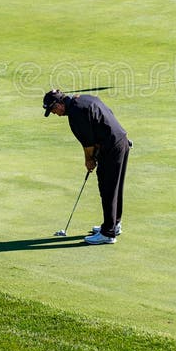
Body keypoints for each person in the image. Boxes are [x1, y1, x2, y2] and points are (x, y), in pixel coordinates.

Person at [43, 90, 130, 245]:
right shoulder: (83, 99)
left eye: (53, 110)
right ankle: (114, 225)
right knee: (115, 187)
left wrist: (89, 160)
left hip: (111, 147)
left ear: (59, 104)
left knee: (108, 189)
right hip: (121, 141)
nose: (55, 113)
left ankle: (108, 234)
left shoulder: (75, 113)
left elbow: (88, 144)